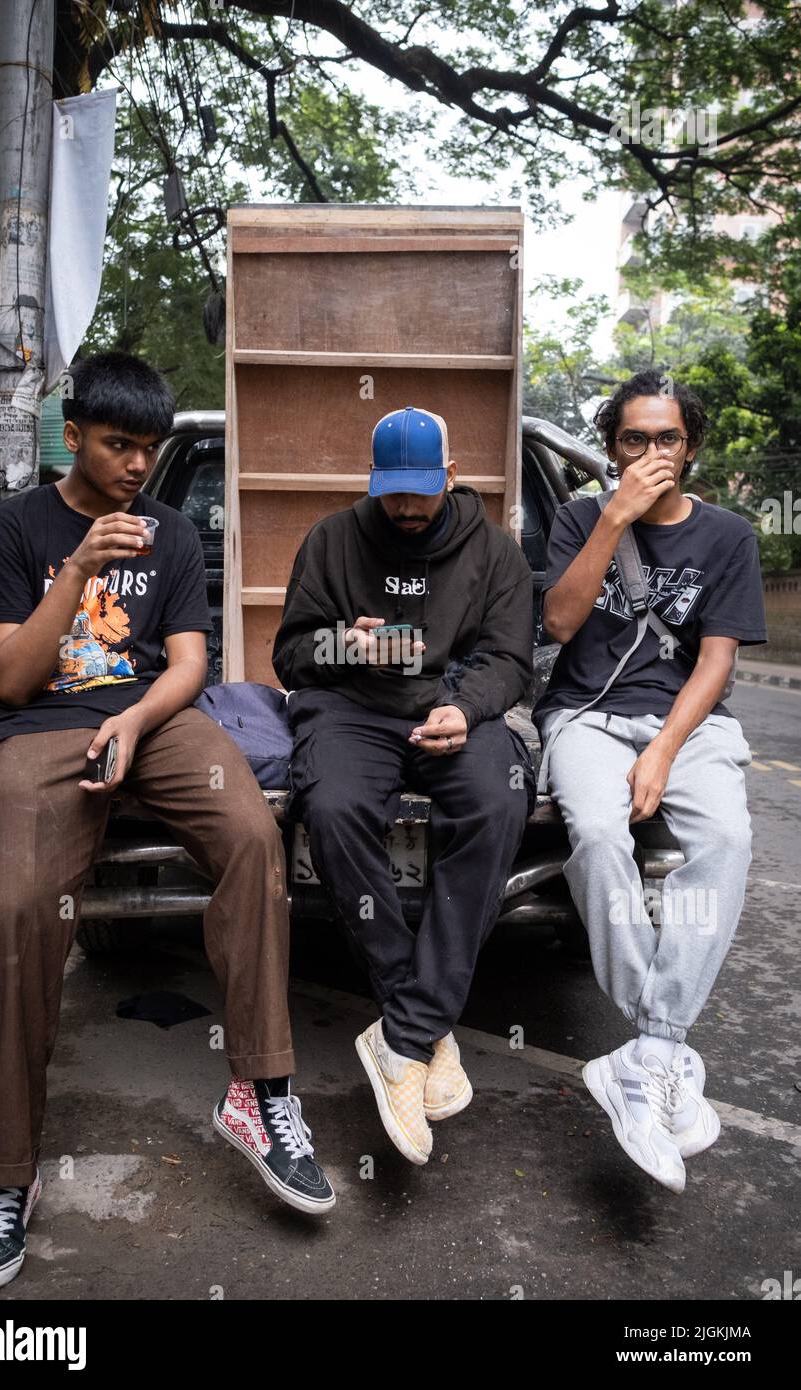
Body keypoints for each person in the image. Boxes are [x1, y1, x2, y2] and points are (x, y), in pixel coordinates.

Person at [0, 352, 334, 1293]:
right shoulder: (11, 529)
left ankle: (261, 1093)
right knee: (14, 910)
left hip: (148, 721)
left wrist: (133, 718)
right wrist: (77, 568)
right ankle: (6, 1175)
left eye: (147, 450)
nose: (134, 466)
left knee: (252, 835)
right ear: (72, 433)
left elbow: (190, 664)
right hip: (37, 731)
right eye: (119, 445)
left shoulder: (165, 531)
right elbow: (9, 679)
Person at [273, 406, 534, 1165]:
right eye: (394, 493)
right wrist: (342, 646)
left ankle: (402, 1037)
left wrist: (467, 707)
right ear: (374, 481)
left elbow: (511, 659)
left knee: (498, 798)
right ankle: (419, 1021)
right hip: (352, 711)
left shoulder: (494, 552)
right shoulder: (332, 538)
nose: (409, 508)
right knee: (332, 803)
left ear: (451, 478)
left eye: (423, 491)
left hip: (453, 714)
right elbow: (290, 653)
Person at [533, 370, 766, 1194]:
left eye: (667, 439)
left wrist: (665, 748)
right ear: (611, 449)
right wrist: (615, 519)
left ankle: (646, 1054)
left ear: (690, 447)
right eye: (635, 440)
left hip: (690, 724)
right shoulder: (575, 517)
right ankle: (659, 1041)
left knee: (729, 840)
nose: (652, 453)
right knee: (597, 834)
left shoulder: (730, 536)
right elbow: (558, 623)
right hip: (588, 716)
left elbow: (717, 659)